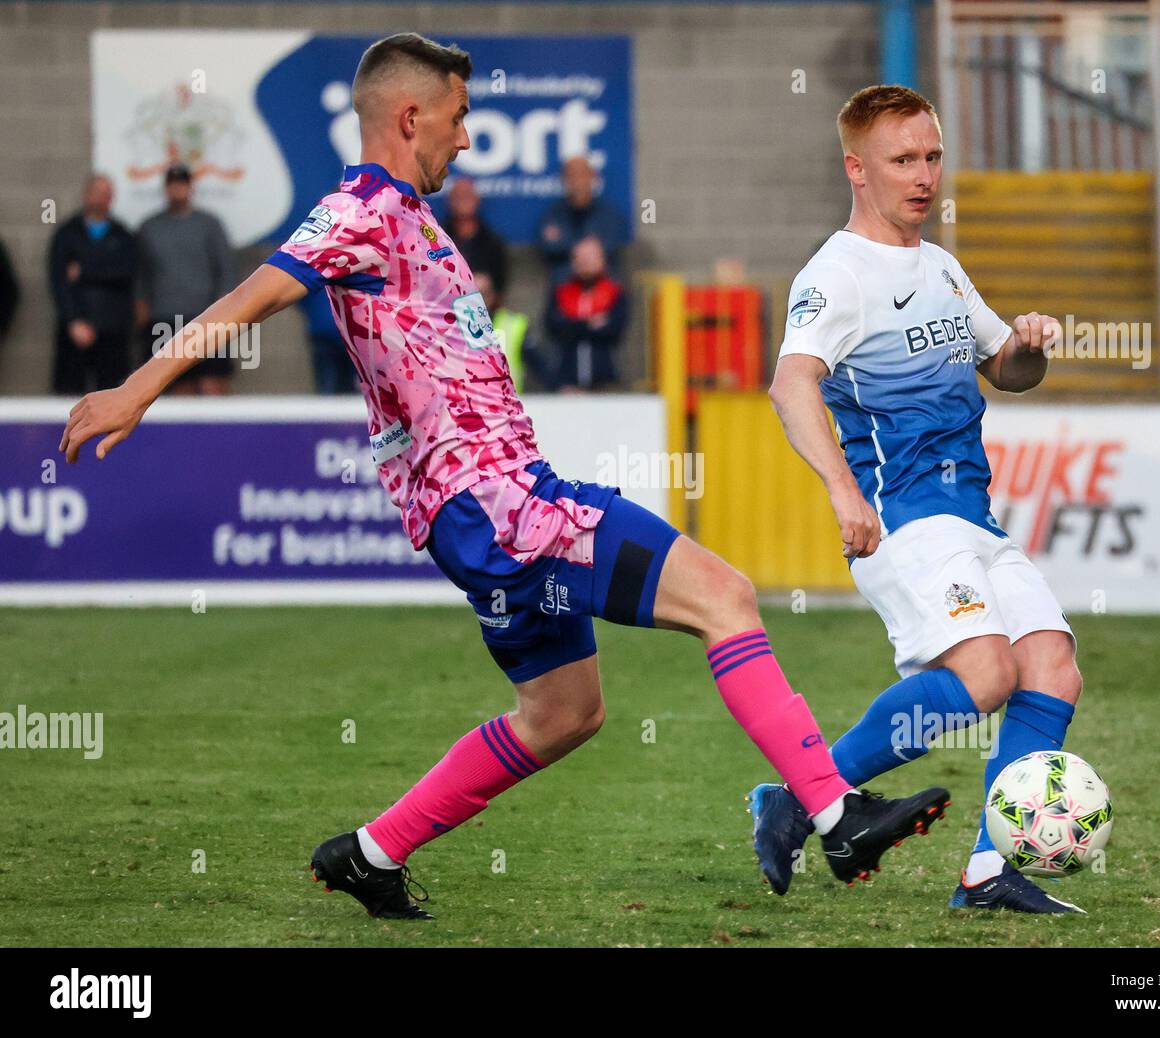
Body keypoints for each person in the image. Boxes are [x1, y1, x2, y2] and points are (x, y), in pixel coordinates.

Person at [60, 34, 948, 922]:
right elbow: (252, 294)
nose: (469, 137)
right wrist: (136, 391)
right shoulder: (365, 207)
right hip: (501, 503)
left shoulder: (407, 214)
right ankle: (836, 815)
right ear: (411, 118)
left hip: (480, 513)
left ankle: (371, 853)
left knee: (564, 712)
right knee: (726, 596)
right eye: (460, 116)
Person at [748, 84, 1086, 914]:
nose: (925, 174)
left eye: (933, 155)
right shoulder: (836, 275)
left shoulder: (940, 266)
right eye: (904, 159)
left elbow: (1005, 371)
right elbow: (792, 385)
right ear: (857, 168)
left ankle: (985, 873)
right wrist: (841, 493)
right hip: (902, 516)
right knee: (985, 672)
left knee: (1053, 669)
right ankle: (798, 796)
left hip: (972, 516)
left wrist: (1028, 344)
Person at [135, 163, 237, 395]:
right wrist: (140, 306)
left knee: (213, 383)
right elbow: (141, 274)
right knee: (177, 386)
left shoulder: (210, 225)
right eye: (173, 185)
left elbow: (226, 270)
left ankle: (218, 432)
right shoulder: (149, 227)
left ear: (191, 187)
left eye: (182, 184)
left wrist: (224, 311)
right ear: (166, 188)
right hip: (164, 319)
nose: (177, 189)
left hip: (205, 319)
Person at [48, 174, 136, 394]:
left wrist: (85, 271)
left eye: (106, 194)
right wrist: (73, 320)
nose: (100, 199)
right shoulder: (67, 233)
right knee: (69, 392)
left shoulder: (122, 235)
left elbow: (126, 273)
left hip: (112, 328)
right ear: (86, 195)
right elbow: (58, 281)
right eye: (97, 193)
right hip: (75, 329)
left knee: (113, 392)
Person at [545, 237, 626, 390]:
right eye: (580, 258)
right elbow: (555, 326)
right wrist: (589, 324)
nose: (585, 263)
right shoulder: (561, 292)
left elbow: (615, 328)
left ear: (602, 259)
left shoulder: (614, 292)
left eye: (590, 257)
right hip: (567, 382)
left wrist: (573, 324)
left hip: (606, 380)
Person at [537, 155, 624, 284]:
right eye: (571, 175)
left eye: (582, 175)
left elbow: (611, 244)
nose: (577, 181)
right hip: (564, 284)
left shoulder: (608, 213)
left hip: (604, 285)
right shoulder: (553, 214)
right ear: (563, 179)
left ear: (593, 177)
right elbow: (549, 244)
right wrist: (582, 253)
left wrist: (584, 255)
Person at [474, 268, 547, 392]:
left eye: (482, 294)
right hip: (467, 407)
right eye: (471, 295)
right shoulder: (450, 329)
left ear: (493, 296)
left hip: (509, 405)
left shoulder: (514, 325)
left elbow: (542, 368)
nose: (477, 301)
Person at [444, 177, 508, 295]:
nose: (463, 201)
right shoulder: (437, 238)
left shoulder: (492, 242)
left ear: (478, 200)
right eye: (458, 197)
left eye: (467, 196)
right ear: (449, 202)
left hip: (481, 306)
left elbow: (499, 287)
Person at [298, 287, 356, 395]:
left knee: (329, 382)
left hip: (325, 333)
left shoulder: (313, 278)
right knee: (346, 382)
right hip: (343, 335)